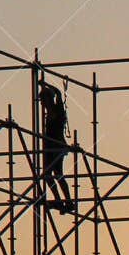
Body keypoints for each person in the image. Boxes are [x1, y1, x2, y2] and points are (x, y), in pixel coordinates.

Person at [37, 83, 74, 213]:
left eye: (42, 100)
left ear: (48, 99)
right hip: (50, 148)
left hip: (57, 147)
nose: (42, 103)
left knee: (55, 174)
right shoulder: (48, 114)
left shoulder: (58, 109)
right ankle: (61, 201)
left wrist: (44, 84)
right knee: (50, 175)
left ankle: (67, 201)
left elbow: (57, 93)